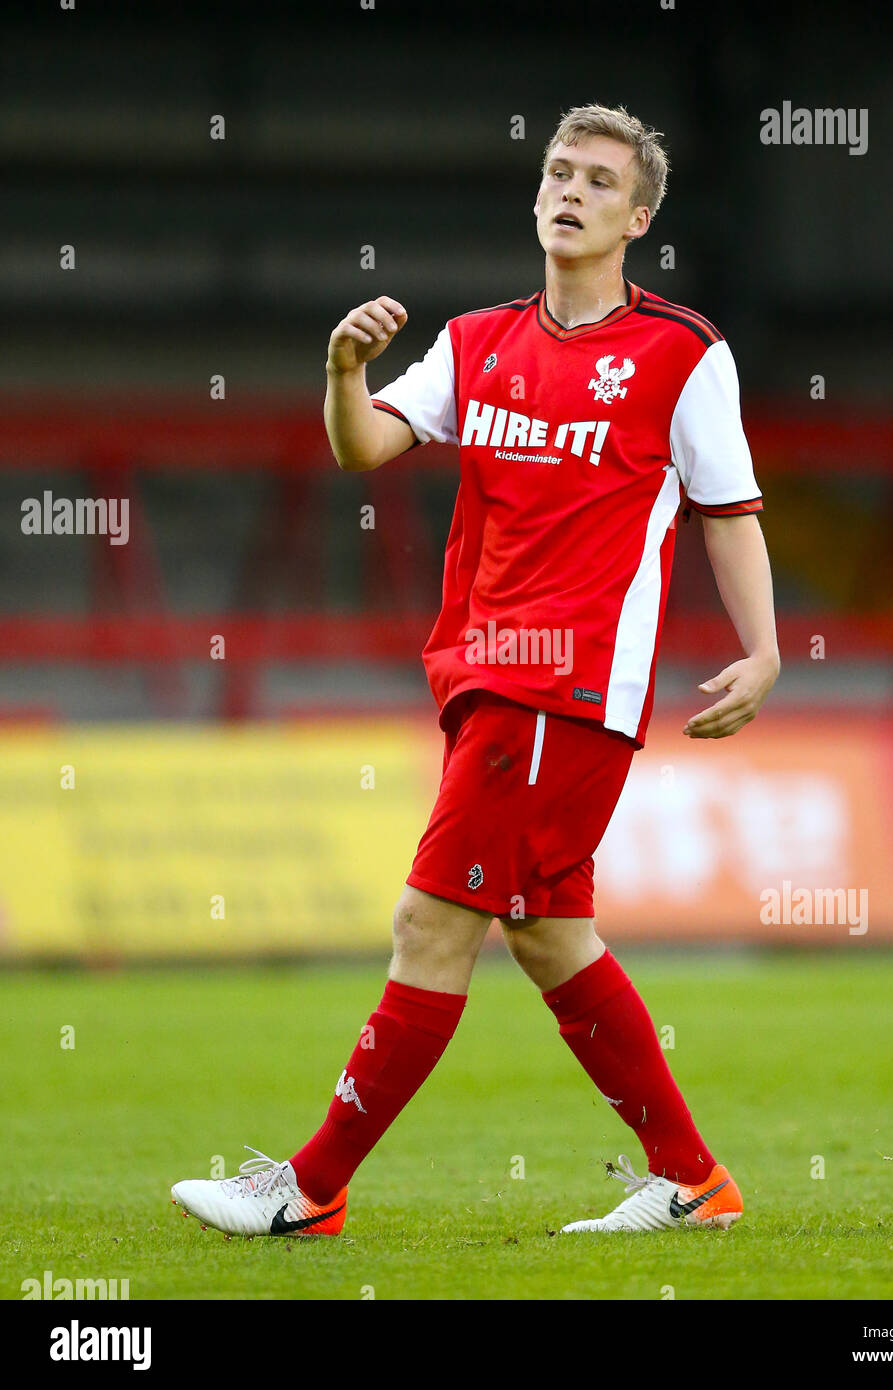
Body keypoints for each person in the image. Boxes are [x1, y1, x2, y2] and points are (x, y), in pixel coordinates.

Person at [171, 103, 779, 1238]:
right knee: (547, 930)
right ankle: (693, 1180)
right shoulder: (475, 341)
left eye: (599, 182)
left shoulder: (681, 353)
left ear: (636, 218)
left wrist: (763, 648)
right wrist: (344, 368)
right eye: (558, 171)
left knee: (427, 922)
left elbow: (727, 511)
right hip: (483, 677)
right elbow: (363, 445)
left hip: (565, 685)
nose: (571, 190)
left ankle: (308, 1188)